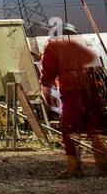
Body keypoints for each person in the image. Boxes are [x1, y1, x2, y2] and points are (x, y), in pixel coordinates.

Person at [40, 25, 107, 177]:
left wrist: (46, 92)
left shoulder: (54, 45)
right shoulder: (84, 43)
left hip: (72, 93)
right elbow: (98, 68)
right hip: (94, 93)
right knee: (95, 129)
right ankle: (103, 165)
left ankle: (74, 167)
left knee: (69, 130)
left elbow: (48, 72)